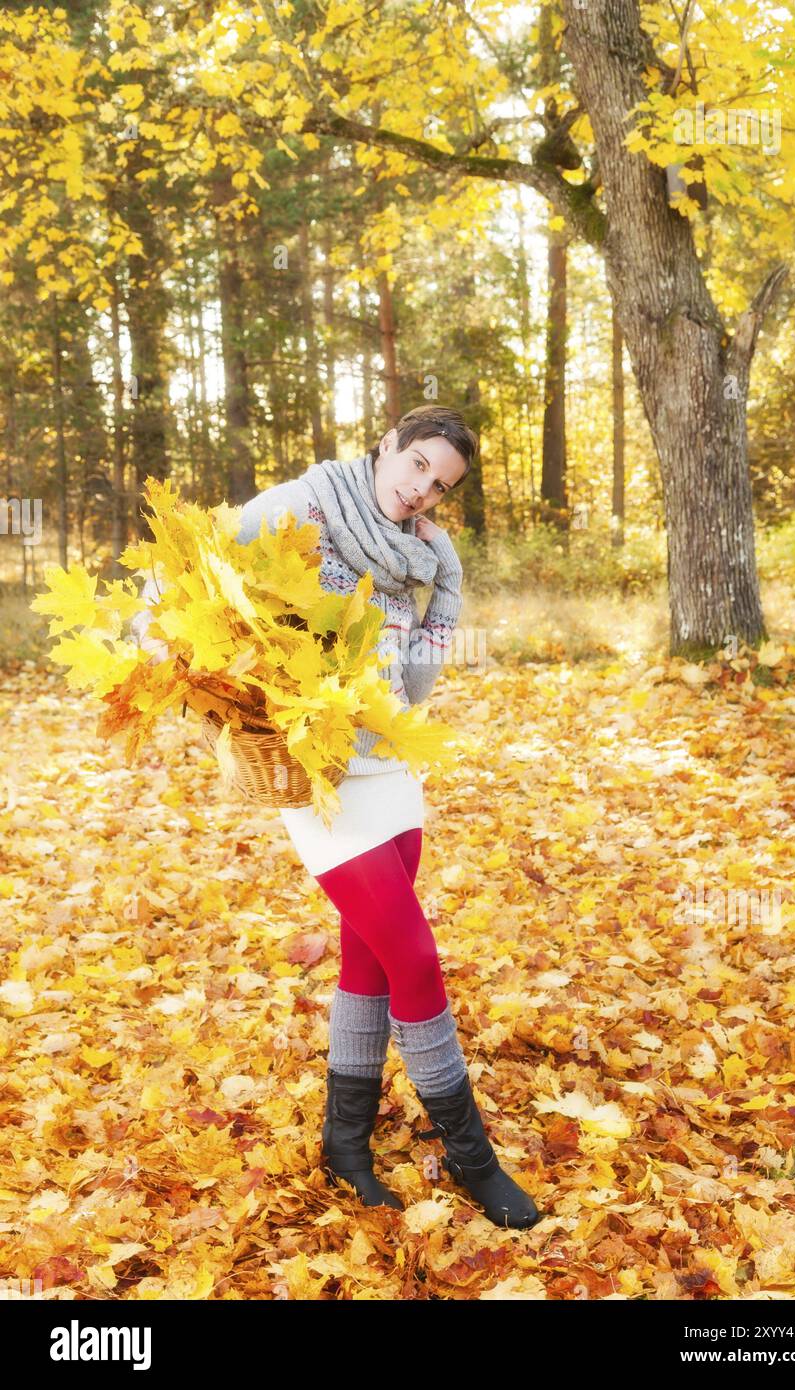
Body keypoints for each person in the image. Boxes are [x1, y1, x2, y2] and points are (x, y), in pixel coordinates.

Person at [134, 404, 541, 1230]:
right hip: (316, 773)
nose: (422, 492)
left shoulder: (418, 554)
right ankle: (473, 1159)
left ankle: (345, 1146)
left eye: (441, 486)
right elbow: (170, 591)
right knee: (417, 958)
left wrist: (445, 592)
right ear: (388, 442)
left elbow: (415, 687)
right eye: (418, 465)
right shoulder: (297, 507)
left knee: (376, 959)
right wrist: (199, 682)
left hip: (390, 763)